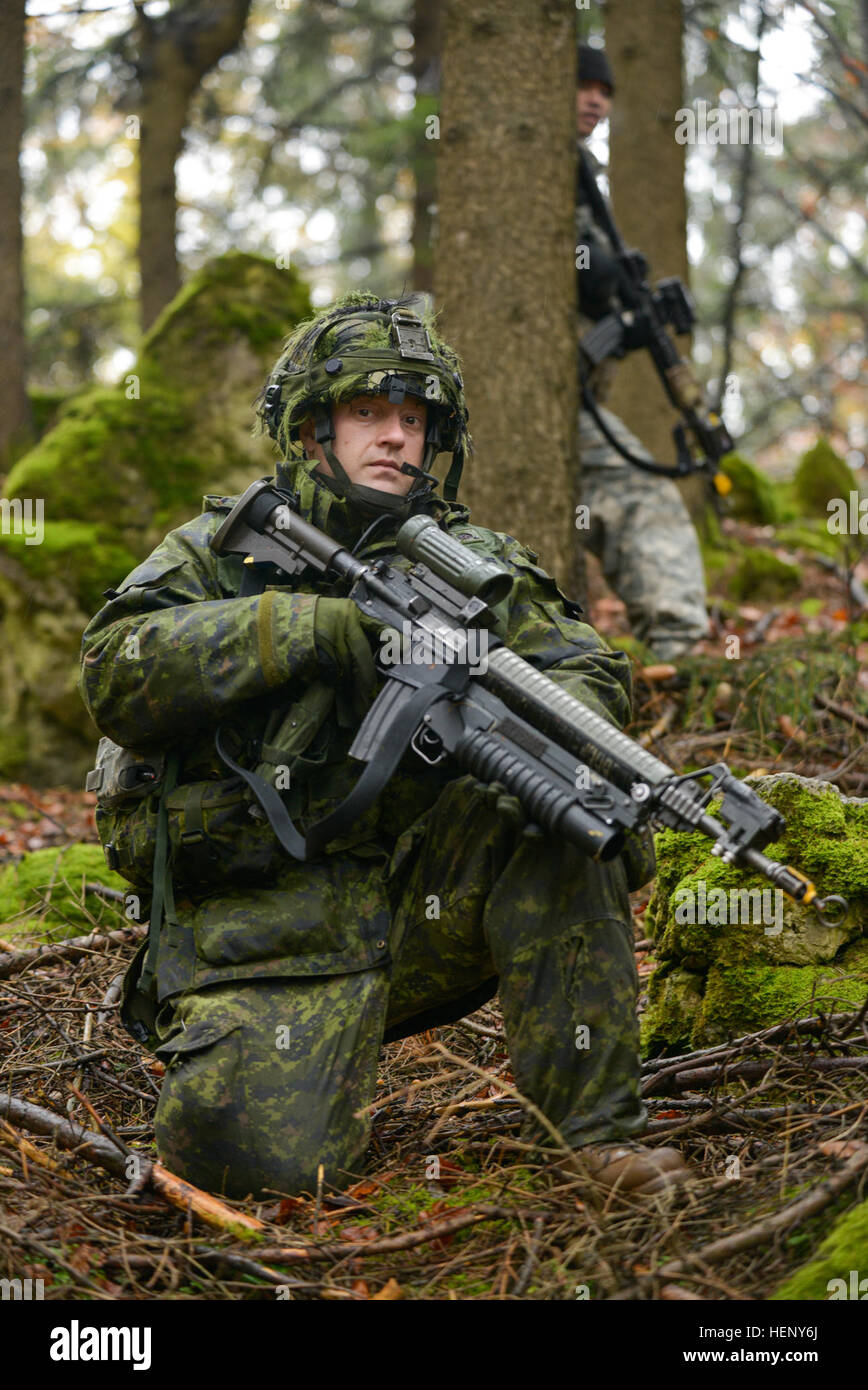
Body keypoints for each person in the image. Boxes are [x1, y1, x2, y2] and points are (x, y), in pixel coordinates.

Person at [78, 293, 689, 1200]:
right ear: (311, 426)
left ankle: (600, 1138)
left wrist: (503, 709)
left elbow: (588, 673)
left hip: (418, 909)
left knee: (561, 804)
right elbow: (115, 671)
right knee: (255, 1171)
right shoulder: (214, 554)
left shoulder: (468, 562)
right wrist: (301, 630)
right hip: (263, 941)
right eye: (368, 413)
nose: (396, 438)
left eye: (413, 419)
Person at [577, 43, 709, 663]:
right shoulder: (535, 168)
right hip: (535, 405)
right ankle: (678, 651)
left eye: (604, 90)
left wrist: (629, 319)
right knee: (641, 494)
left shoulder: (579, 175)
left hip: (569, 396)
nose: (597, 99)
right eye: (583, 85)